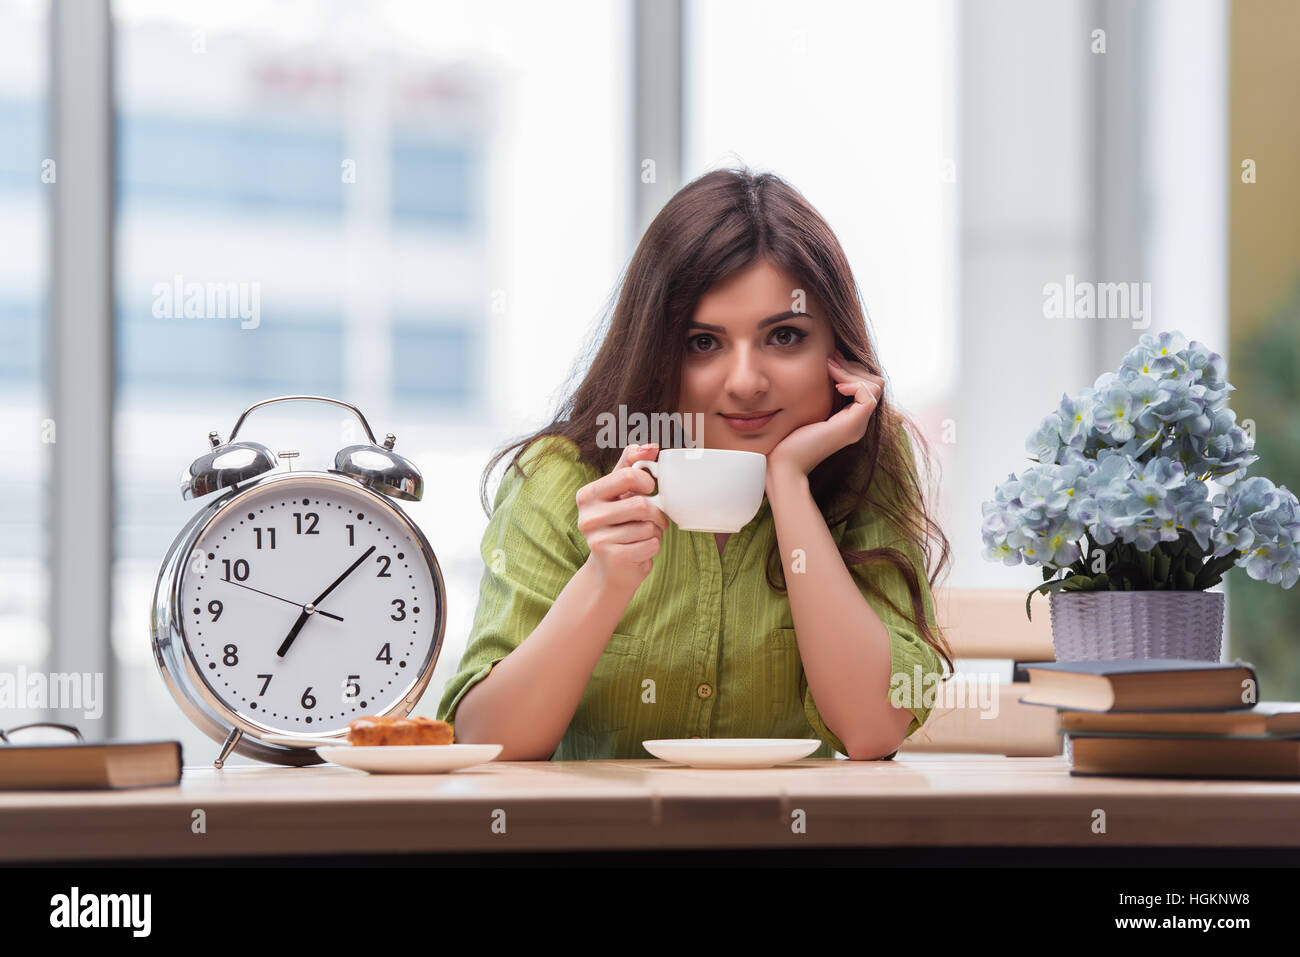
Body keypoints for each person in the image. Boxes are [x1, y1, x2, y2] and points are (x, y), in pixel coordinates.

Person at [435, 167, 953, 761]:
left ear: (836, 348)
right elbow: (486, 742)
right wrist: (603, 581)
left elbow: (871, 729)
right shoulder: (563, 476)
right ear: (657, 352)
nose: (745, 383)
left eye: (783, 336)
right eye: (703, 343)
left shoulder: (870, 470)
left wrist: (788, 483)